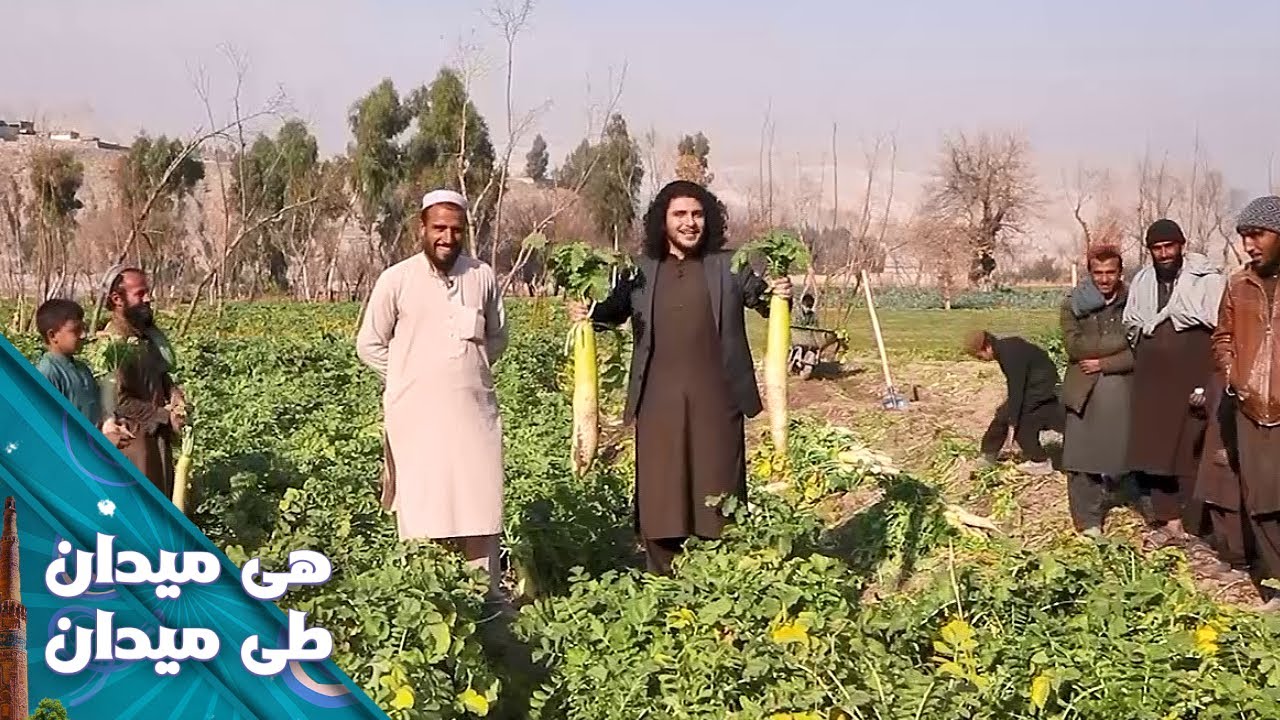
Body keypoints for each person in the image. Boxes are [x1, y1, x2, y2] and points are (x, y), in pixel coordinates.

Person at [568, 180, 791, 575]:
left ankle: (718, 577)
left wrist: (781, 293)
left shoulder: (729, 266)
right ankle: (662, 578)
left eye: (697, 214)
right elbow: (609, 314)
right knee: (662, 492)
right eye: (680, 215)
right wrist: (586, 312)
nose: (690, 223)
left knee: (718, 488)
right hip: (657, 402)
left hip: (718, 402)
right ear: (663, 220)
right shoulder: (640, 271)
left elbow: (764, 301)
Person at [356, 189, 508, 597]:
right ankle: (427, 599)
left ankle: (486, 603)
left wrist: (468, 371)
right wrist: (409, 376)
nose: (447, 237)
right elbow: (369, 344)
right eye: (439, 228)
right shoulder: (397, 280)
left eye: (456, 230)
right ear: (421, 228)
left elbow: (497, 337)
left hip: (475, 417)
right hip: (416, 420)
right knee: (425, 511)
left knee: (479, 508)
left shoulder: (481, 276)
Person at [1122, 219, 1224, 547]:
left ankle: (1196, 526)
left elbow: (1219, 329)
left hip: (1192, 375)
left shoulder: (1207, 280)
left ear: (1182, 245)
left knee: (1190, 449)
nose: (1164, 254)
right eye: (1157, 248)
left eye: (1169, 246)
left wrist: (1209, 381)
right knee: (1153, 449)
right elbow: (1133, 325)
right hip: (1151, 380)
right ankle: (1170, 521)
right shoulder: (1142, 281)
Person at [1210, 195, 1280, 611]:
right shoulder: (1238, 285)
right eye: (1244, 237)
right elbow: (1222, 336)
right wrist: (1233, 374)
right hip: (1252, 410)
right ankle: (1278, 586)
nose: (1249, 245)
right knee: (1261, 502)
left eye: (1258, 235)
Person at [1058, 245, 1135, 536]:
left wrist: (1104, 363)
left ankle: (1132, 500)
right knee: (1082, 458)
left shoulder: (1134, 301)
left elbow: (1140, 350)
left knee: (1125, 452)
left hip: (1123, 388)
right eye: (1098, 273)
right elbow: (1075, 347)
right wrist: (1122, 341)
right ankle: (1088, 521)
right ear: (1090, 273)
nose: (1104, 279)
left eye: (1110, 272)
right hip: (1084, 388)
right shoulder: (1072, 304)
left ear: (1120, 272)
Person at [100, 266, 187, 497]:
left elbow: (161, 375)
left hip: (156, 435)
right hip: (134, 440)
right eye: (140, 294)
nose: (148, 299)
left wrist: (175, 396)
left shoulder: (144, 336)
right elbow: (119, 401)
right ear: (117, 299)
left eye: (148, 292)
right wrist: (163, 415)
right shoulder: (113, 345)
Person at [33, 298, 132, 449]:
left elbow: (94, 412)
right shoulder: (47, 373)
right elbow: (50, 431)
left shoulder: (82, 368)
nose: (83, 335)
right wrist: (102, 442)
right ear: (53, 336)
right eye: (76, 330)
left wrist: (114, 424)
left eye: (84, 328)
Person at [964, 330, 1065, 476]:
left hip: (1041, 387)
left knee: (1022, 423)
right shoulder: (1006, 349)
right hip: (1039, 385)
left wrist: (1013, 423)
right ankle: (989, 454)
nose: (982, 360)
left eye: (980, 356)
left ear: (986, 347)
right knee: (1007, 414)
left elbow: (1016, 388)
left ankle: (1040, 461)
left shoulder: (1009, 354)